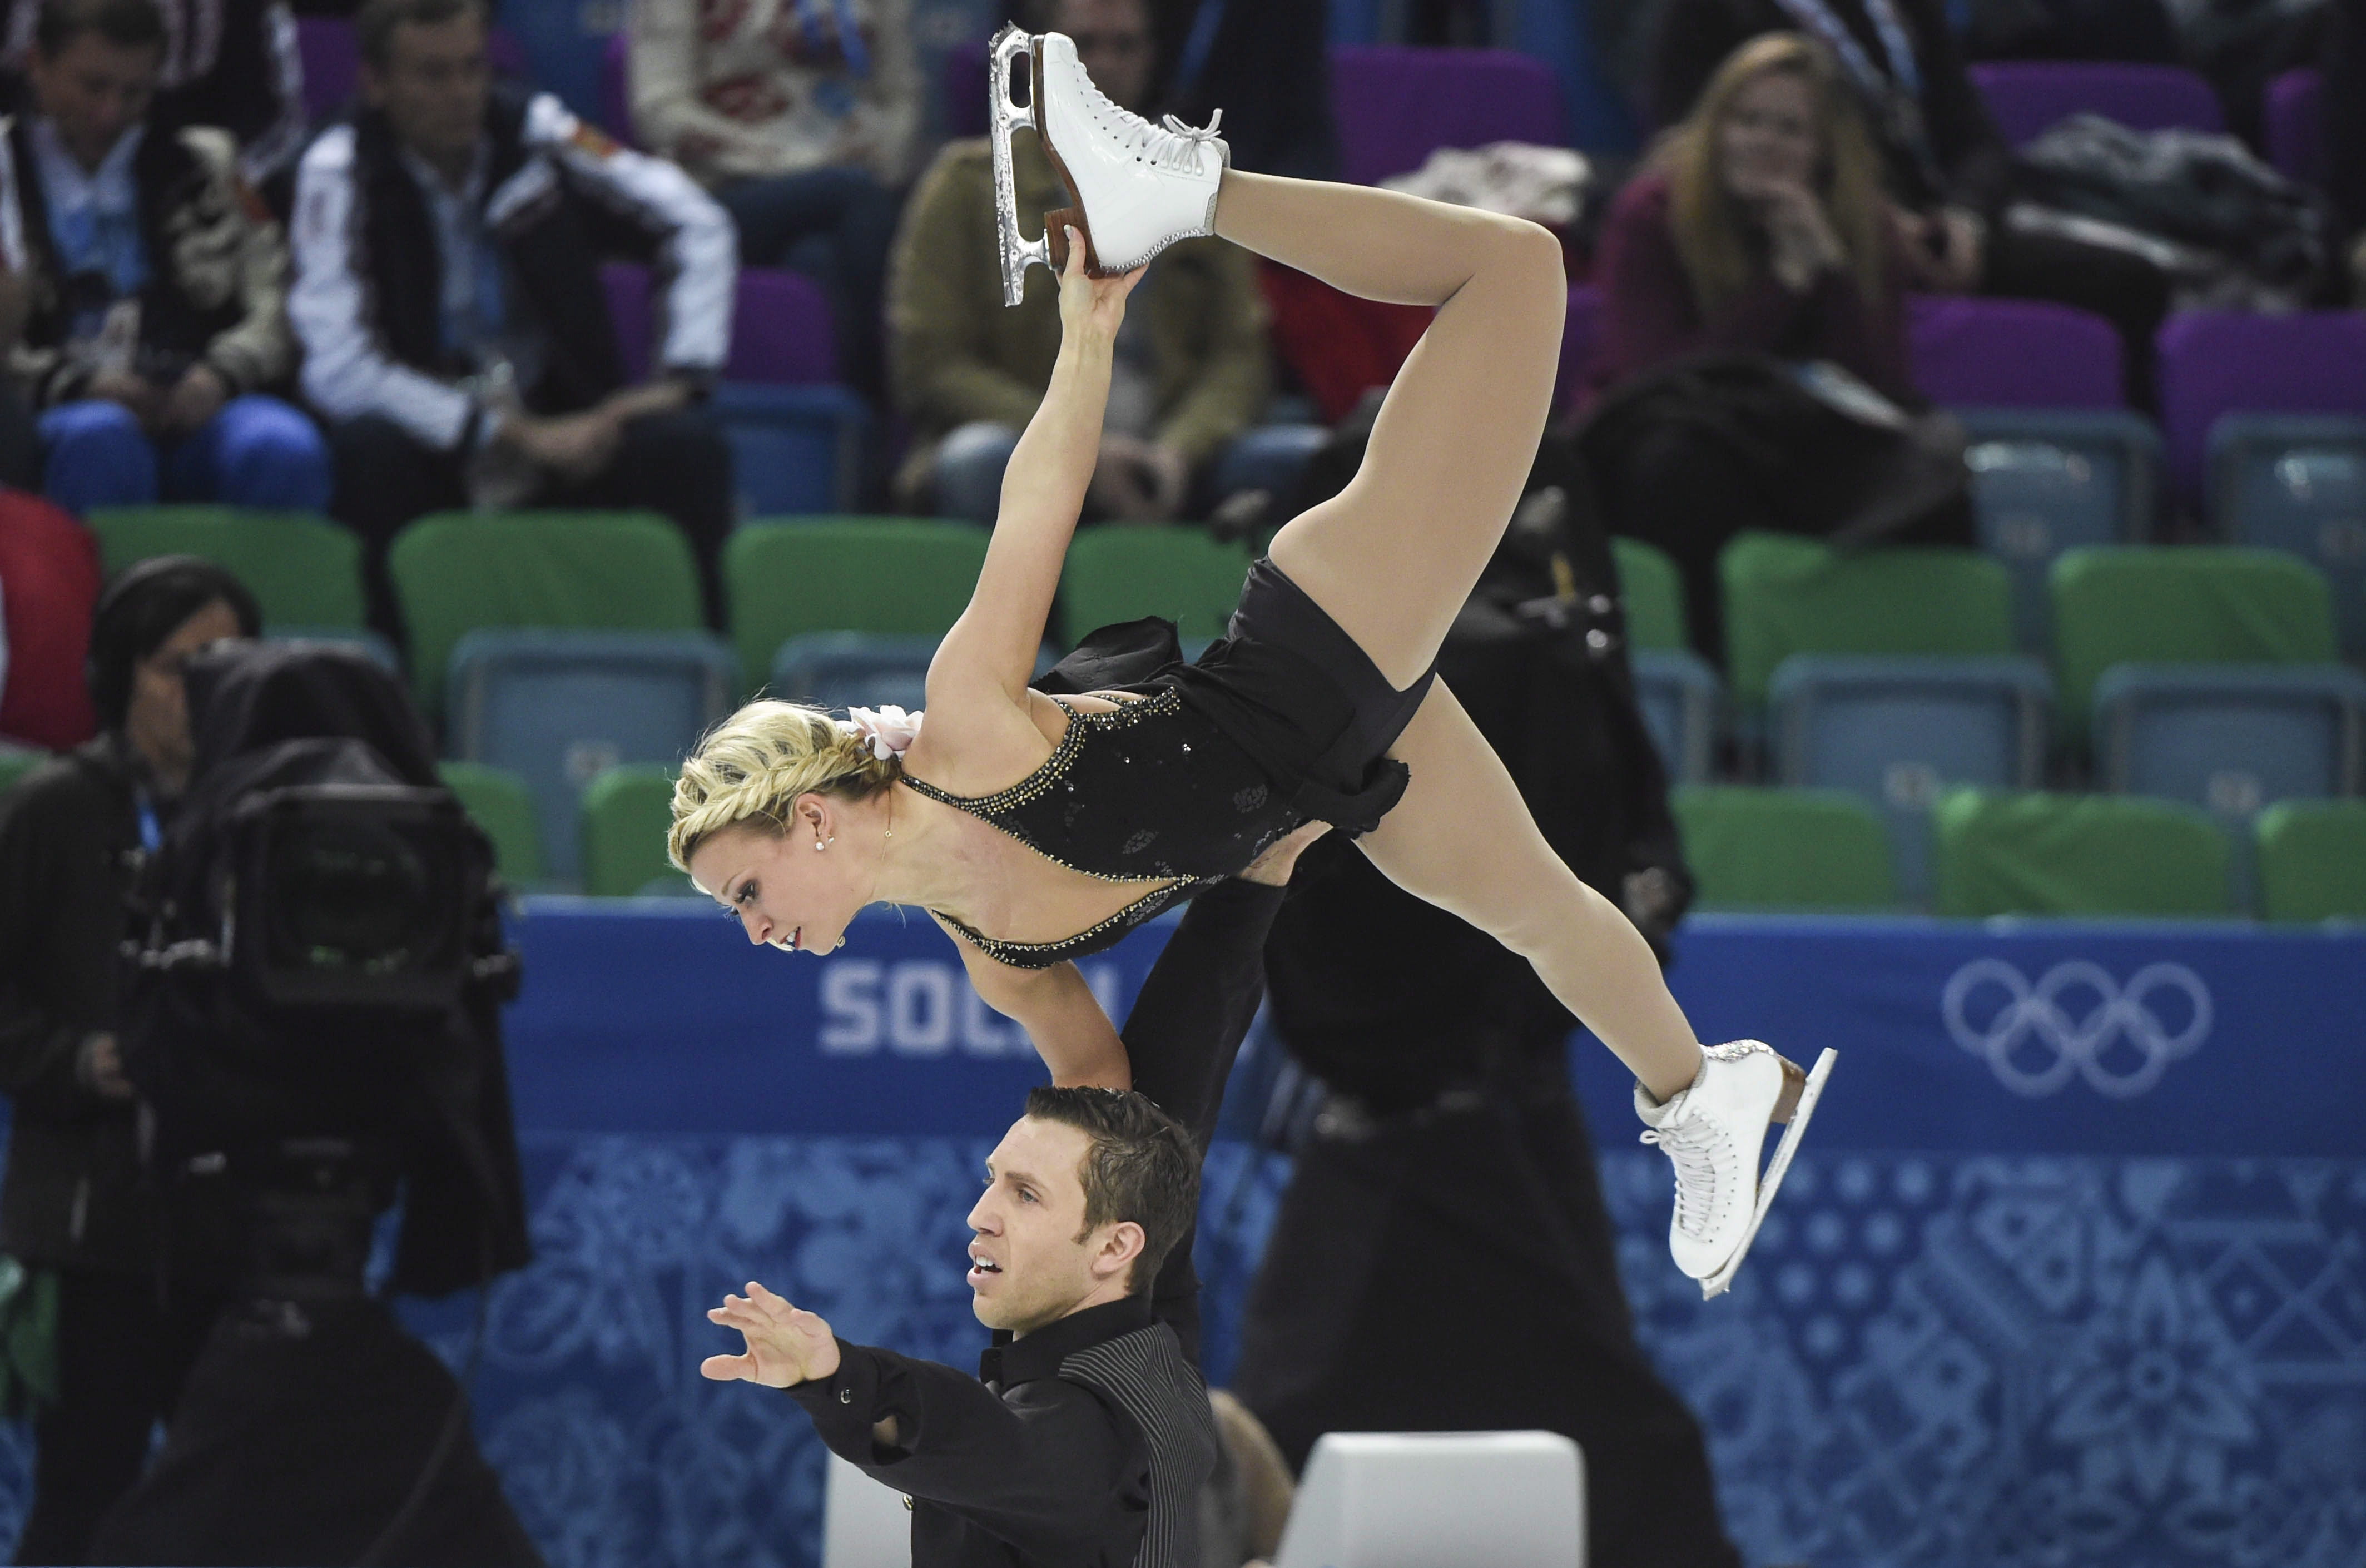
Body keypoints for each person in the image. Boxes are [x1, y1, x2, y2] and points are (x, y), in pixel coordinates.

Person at [668, 27, 1831, 1294]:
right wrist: (1044, 1238)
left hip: (1312, 643)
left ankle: (1188, 190)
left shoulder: (967, 731)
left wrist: (1088, 327)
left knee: (1510, 271)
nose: (755, 927)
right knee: (1538, 913)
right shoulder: (992, 955)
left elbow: (1037, 503)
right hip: (1335, 769)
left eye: (745, 888)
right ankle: (1704, 1087)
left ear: (809, 819)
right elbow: (1108, 1107)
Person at [700, 825, 1322, 1567]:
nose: (978, 1215)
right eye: (993, 1180)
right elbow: (1181, 1084)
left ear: (1115, 1247)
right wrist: (1251, 890)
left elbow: (969, 1439)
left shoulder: (1086, 1432)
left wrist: (835, 1377)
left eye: (1024, 1195)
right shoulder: (1150, 1331)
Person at [289, 0, 737, 633]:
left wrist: (673, 382)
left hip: (561, 421)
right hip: (433, 433)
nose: (462, 93)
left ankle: (704, 687)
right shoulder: (337, 169)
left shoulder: (538, 130)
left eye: (474, 69)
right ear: (376, 83)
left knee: (688, 452)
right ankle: (400, 689)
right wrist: (499, 433)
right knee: (368, 453)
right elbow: (337, 367)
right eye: (434, 74)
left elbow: (699, 222)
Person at [0, 555, 257, 1566]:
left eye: (225, 662)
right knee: (84, 1506)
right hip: (93, 1223)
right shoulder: (54, 808)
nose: (197, 689)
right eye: (171, 666)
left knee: (237, 1514)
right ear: (117, 674)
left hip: (240, 1222)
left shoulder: (268, 815)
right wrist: (73, 1060)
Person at [1588, 32, 1967, 664]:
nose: (1763, 141)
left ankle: (1889, 677)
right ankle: (1708, 681)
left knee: (1935, 478)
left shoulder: (1860, 222)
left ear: (1823, 151)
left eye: (1789, 129)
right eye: (1746, 120)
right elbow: (1655, 380)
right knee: (1679, 468)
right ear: (1716, 126)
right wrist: (1784, 289)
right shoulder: (1653, 214)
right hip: (1667, 428)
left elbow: (1882, 387)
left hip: (1801, 435)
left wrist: (1832, 272)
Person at [1644, 0, 2174, 404]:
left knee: (2130, 280)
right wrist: (1862, 214)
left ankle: (2143, 506)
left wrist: (1966, 221)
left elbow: (1977, 142)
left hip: (1937, 230)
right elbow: (1688, 144)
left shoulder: (1905, 9)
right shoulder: (1713, 10)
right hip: (1805, 222)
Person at [883, 0, 1287, 526]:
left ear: (1150, 59)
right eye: (1083, 47)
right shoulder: (966, 185)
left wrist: (1179, 450)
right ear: (1036, 62)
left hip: (1170, 452)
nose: (1105, 63)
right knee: (978, 461)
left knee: (1295, 459)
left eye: (1124, 46)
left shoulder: (1199, 186)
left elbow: (1240, 358)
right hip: (1027, 437)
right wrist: (1080, 446)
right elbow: (931, 364)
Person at [1, 0, 330, 518]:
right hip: (61, 407)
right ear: (36, 64)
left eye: (134, 93)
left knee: (281, 447)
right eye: (92, 86)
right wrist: (80, 386)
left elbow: (274, 300)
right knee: (102, 439)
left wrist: (221, 376)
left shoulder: (208, 162)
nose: (110, 112)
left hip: (196, 397)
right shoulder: (2, 167)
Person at [625, 0, 918, 401]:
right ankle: (899, 398)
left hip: (849, 181)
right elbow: (659, 111)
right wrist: (794, 163)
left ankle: (855, 433)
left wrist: (885, 153)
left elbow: (901, 95)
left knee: (816, 261)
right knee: (853, 194)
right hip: (726, 193)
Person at [2, 0, 309, 194]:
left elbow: (272, 119)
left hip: (173, 185)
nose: (109, 112)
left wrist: (219, 196)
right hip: (21, 178)